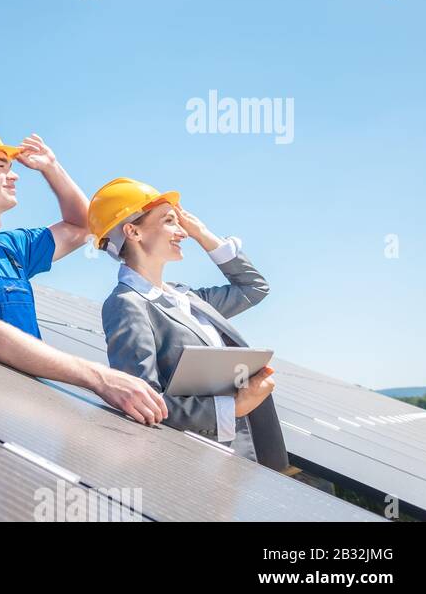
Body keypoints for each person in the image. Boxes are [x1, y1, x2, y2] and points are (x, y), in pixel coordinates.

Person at [0, 120, 168, 425]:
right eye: (1, 166)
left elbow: (82, 226)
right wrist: (98, 377)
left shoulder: (13, 247)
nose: (14, 174)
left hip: (24, 406)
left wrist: (52, 168)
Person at [89, 178, 288, 470]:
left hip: (237, 457)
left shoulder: (187, 296)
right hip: (196, 466)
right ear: (133, 231)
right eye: (170, 221)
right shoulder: (127, 304)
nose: (182, 231)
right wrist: (234, 407)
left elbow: (253, 287)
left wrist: (203, 234)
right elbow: (142, 401)